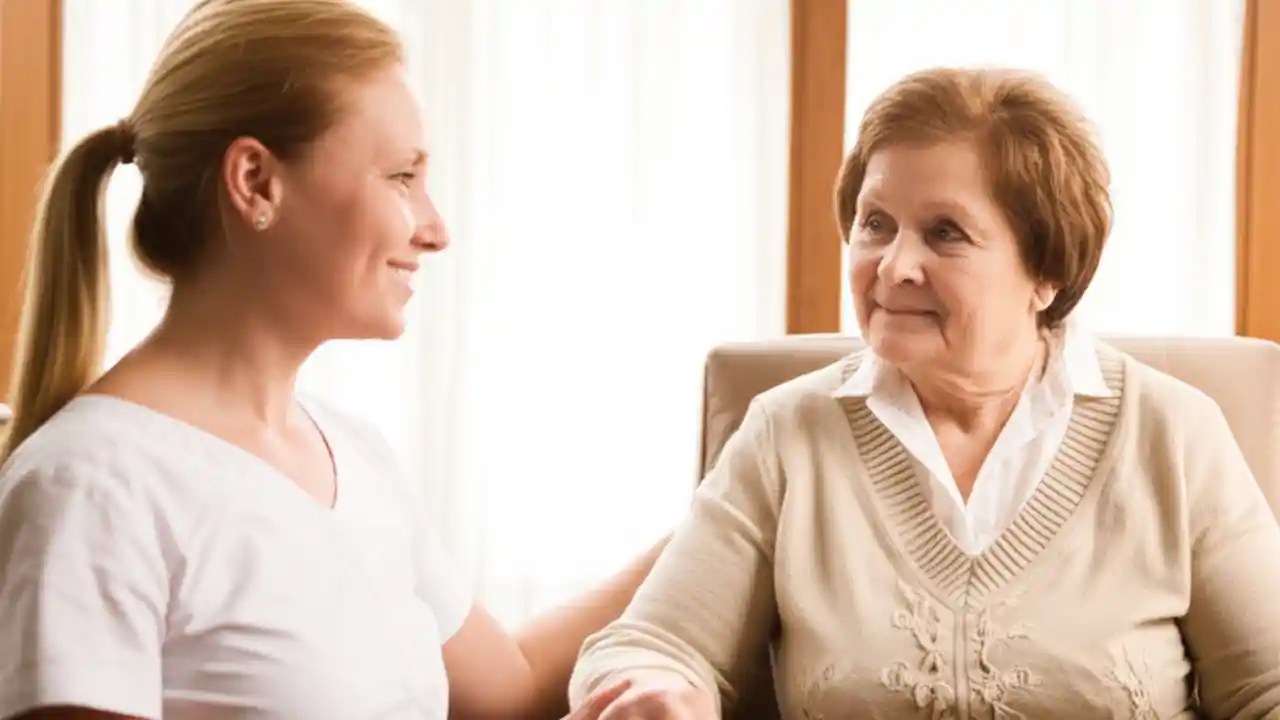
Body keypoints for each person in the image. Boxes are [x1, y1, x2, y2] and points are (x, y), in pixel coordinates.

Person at [568, 68, 1280, 719]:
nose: (894, 265)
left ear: (1047, 272)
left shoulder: (1175, 433)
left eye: (945, 234)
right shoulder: (787, 432)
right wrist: (656, 690)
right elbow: (652, 643)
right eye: (875, 225)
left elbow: (1266, 685)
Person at [0, 1, 645, 718]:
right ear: (255, 182)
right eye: (402, 176)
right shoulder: (93, 487)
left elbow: (514, 686)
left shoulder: (354, 457)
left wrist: (741, 501)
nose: (435, 230)